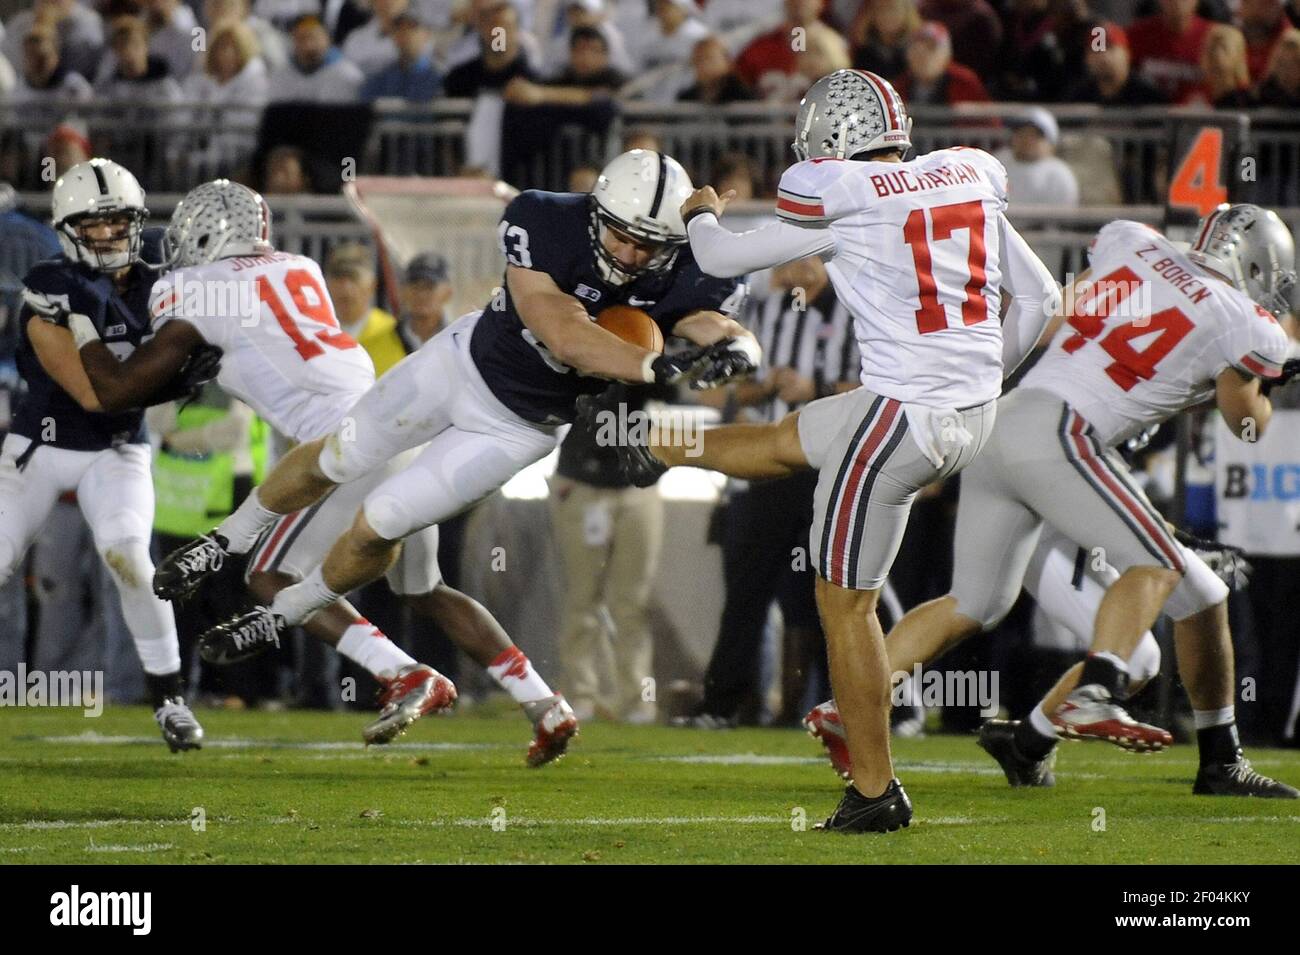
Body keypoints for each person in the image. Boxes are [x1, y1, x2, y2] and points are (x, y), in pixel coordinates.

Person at [157, 151, 757, 763]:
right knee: (342, 450)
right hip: (459, 365)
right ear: (597, 211)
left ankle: (280, 615)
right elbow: (561, 329)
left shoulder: (688, 264)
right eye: (622, 235)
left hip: (519, 427)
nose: (630, 254)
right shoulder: (545, 218)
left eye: (648, 244)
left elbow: (713, 320)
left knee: (383, 521)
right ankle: (222, 542)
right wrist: (653, 364)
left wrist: (738, 349)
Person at [621, 69, 1059, 831]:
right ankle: (666, 445)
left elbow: (723, 258)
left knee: (843, 600)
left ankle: (874, 791)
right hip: (965, 410)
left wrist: (698, 214)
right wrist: (976, 382)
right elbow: (1046, 299)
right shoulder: (967, 175)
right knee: (796, 438)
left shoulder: (844, 195)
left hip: (903, 415)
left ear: (829, 133)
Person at [808, 205, 1300, 800]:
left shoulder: (1135, 243)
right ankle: (1097, 688)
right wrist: (1271, 383)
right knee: (1161, 566)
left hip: (1002, 424)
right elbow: (1243, 418)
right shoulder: (1246, 322)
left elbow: (1085, 320)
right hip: (1062, 435)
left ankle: (854, 704)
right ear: (1259, 264)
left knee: (975, 601)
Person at [1, 159, 210, 752]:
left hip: (115, 454)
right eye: (95, 225)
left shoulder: (160, 286)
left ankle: (169, 699)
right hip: (37, 450)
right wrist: (170, 380)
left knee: (129, 557)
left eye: (120, 222)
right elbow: (96, 394)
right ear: (69, 229)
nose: (111, 235)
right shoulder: (49, 285)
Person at [1128, 0, 1214, 104]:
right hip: (1148, 114)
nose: (1177, 2)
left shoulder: (1215, 37)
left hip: (1202, 117)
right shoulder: (1136, 35)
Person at [268, 13, 364, 103]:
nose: (308, 44)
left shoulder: (348, 75)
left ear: (327, 38)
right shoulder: (280, 76)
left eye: (313, 37)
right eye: (301, 38)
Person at [1064, 20, 1166, 106]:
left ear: (1126, 53)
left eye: (1110, 47)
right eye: (1097, 50)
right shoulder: (1079, 97)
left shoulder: (1148, 96)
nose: (1103, 56)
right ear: (1087, 58)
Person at [995, 108, 1080, 209]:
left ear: (1051, 143)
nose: (1026, 140)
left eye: (1035, 135)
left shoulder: (1059, 174)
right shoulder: (996, 162)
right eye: (1021, 133)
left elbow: (1061, 218)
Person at [894, 20, 990, 105]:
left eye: (931, 48)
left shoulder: (965, 83)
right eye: (917, 48)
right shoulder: (897, 88)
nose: (923, 55)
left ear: (947, 54)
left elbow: (989, 123)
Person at [360, 7, 441, 100]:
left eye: (412, 27)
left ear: (426, 35)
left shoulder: (439, 74)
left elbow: (419, 97)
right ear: (393, 36)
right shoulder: (383, 77)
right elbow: (366, 97)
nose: (406, 34)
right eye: (399, 29)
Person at [677, 35, 756, 104]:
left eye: (709, 58)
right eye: (698, 60)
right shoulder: (686, 98)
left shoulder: (744, 97)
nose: (704, 65)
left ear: (727, 62)